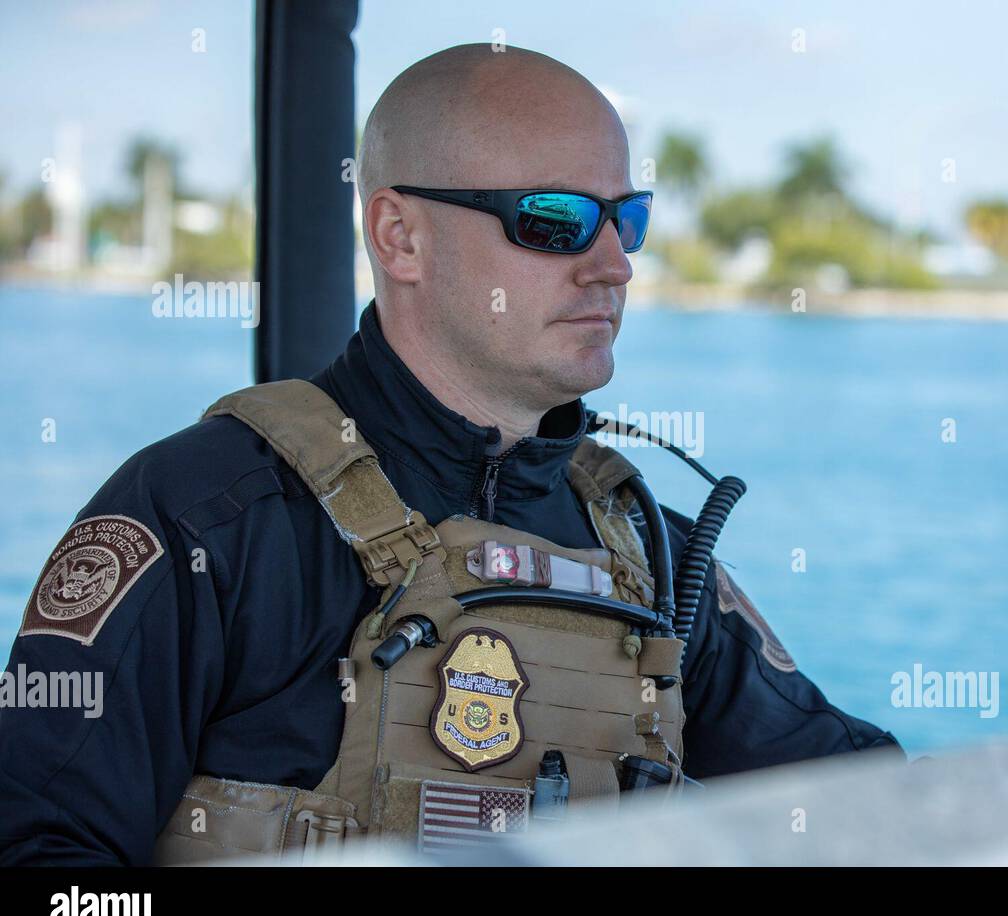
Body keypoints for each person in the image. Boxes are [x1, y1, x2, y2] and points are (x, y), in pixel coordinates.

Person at [0, 44, 901, 866]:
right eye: (554, 220)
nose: (614, 264)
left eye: (628, 218)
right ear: (400, 238)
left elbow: (864, 807)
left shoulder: (649, 559)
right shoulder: (208, 516)